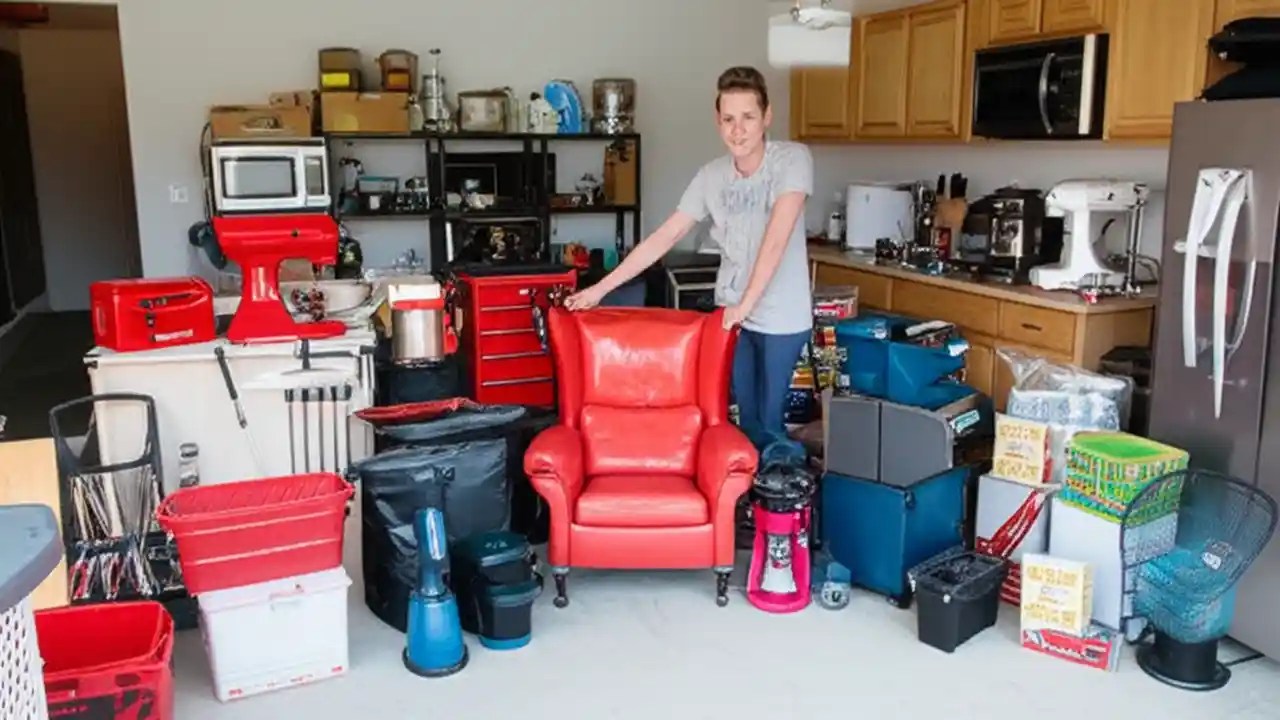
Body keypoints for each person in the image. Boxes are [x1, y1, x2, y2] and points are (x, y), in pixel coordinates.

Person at [564, 66, 814, 449]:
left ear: (767, 116)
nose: (738, 129)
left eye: (748, 117)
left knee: (771, 420)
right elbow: (666, 235)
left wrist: (746, 304)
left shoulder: (792, 160)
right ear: (718, 121)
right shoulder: (711, 176)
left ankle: (781, 502)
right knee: (744, 420)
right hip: (732, 311)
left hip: (781, 314)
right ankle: (745, 503)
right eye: (728, 119)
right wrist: (599, 290)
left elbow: (776, 239)